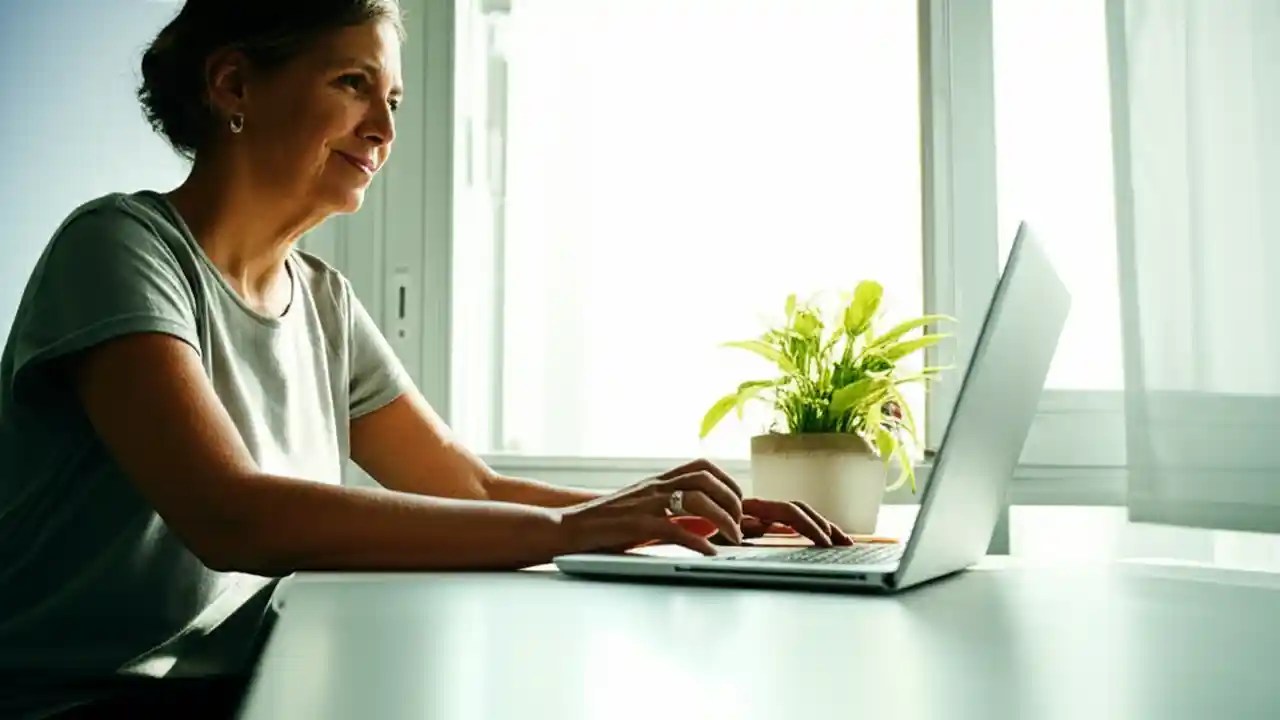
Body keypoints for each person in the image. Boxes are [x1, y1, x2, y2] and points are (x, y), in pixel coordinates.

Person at [0, 1, 851, 717]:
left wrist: (664, 519)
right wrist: (571, 530)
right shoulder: (119, 247)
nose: (383, 127)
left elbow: (470, 487)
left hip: (252, 688)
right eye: (352, 83)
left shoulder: (324, 300)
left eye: (395, 99)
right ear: (234, 85)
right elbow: (231, 516)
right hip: (84, 701)